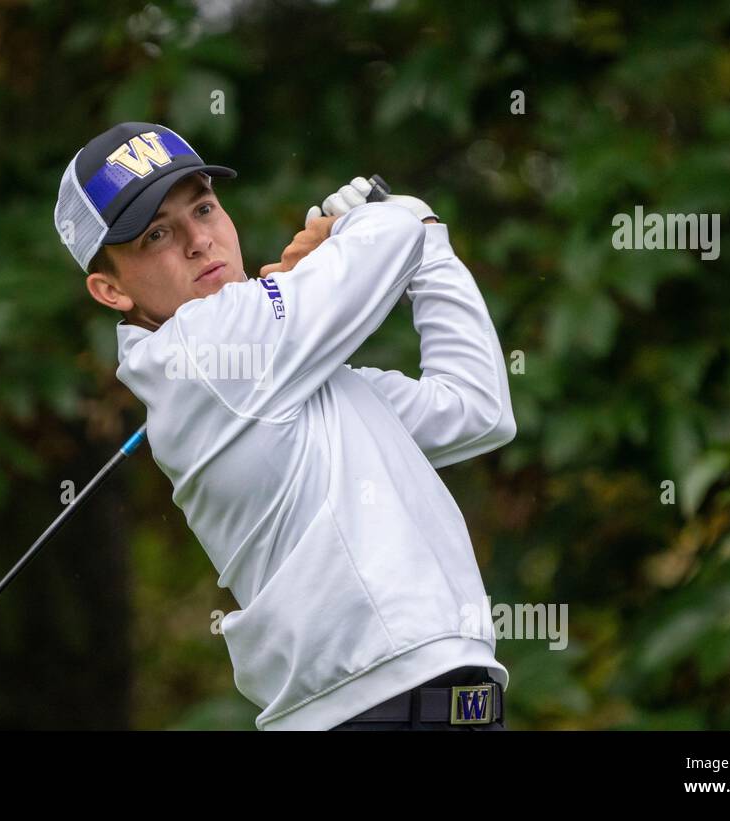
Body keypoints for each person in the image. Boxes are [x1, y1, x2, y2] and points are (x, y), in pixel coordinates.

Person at [54, 121, 515, 730]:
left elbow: (475, 409)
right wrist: (372, 217)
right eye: (157, 233)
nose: (199, 241)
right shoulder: (199, 353)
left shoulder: (276, 371)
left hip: (442, 704)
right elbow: (389, 237)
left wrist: (428, 244)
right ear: (109, 289)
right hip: (375, 712)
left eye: (205, 208)